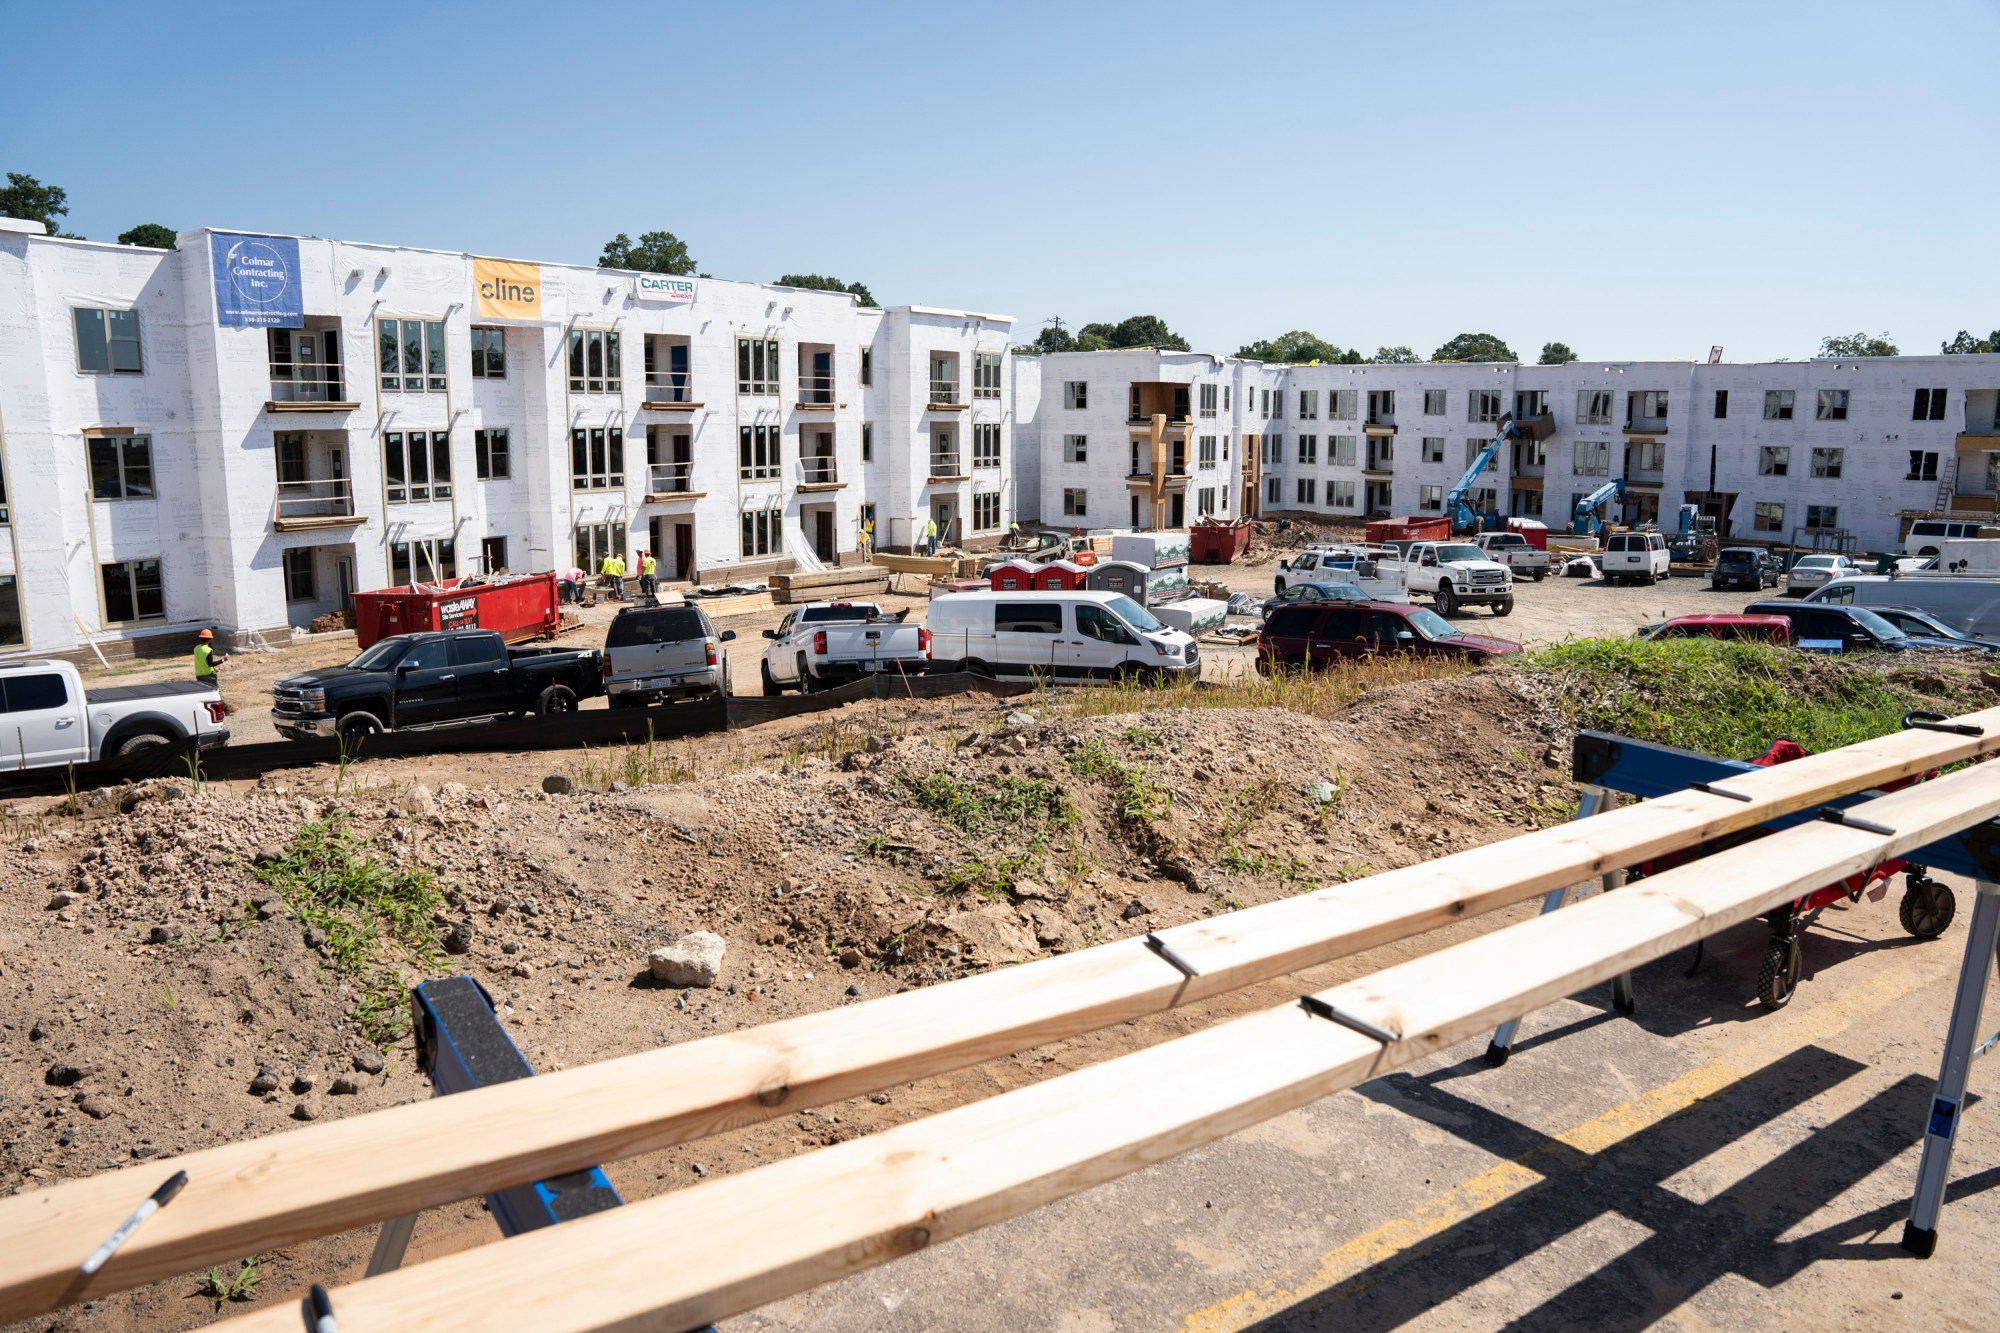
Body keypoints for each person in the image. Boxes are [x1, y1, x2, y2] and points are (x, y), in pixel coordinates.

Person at [193, 628, 230, 712]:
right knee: (216, 691)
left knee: (206, 692)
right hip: (209, 675)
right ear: (210, 639)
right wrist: (223, 660)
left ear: (201, 638)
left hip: (199, 675)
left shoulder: (196, 648)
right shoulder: (208, 650)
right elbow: (210, 663)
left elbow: (202, 661)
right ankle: (226, 708)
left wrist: (213, 668)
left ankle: (210, 709)